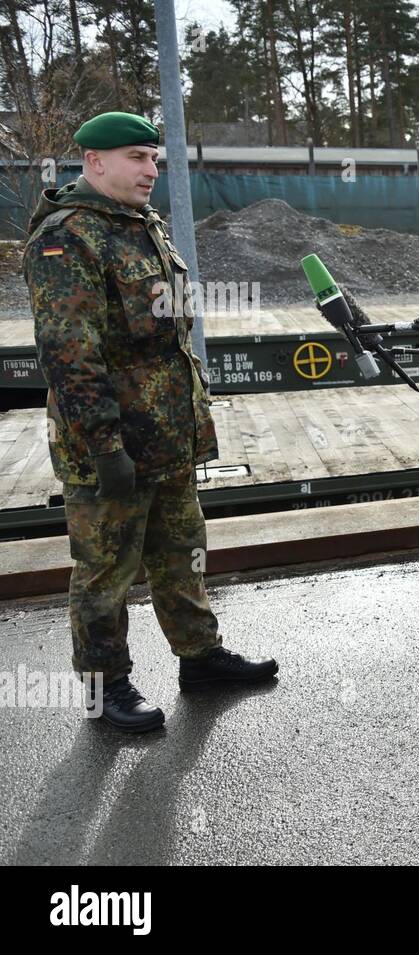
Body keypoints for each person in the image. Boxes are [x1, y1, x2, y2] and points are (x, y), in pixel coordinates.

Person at [23, 111, 277, 734]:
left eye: (154, 160)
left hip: (168, 436)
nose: (150, 170)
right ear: (94, 161)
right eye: (137, 157)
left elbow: (169, 339)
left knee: (181, 552)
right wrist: (106, 446)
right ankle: (103, 686)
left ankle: (199, 656)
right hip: (111, 445)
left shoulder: (143, 227)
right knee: (106, 570)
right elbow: (69, 354)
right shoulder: (67, 237)